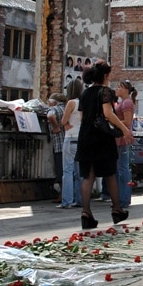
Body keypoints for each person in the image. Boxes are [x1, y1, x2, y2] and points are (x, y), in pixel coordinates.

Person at [76, 60, 132, 229]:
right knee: (110, 173)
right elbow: (108, 113)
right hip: (102, 138)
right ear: (106, 75)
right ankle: (116, 209)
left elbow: (81, 117)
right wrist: (124, 129)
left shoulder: (85, 93)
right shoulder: (105, 92)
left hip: (85, 136)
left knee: (88, 175)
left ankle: (86, 213)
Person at [59, 77, 84, 208]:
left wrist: (67, 124)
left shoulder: (71, 103)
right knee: (79, 172)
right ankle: (80, 200)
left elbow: (63, 121)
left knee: (67, 171)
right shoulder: (84, 102)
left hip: (70, 137)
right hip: (81, 138)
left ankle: (67, 201)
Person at [114, 80, 136, 207]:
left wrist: (112, 121)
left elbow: (127, 122)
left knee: (123, 169)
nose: (117, 89)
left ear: (126, 90)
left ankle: (124, 198)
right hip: (120, 137)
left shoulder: (127, 102)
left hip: (123, 137)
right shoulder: (124, 102)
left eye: (120, 87)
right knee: (121, 168)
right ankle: (122, 197)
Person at [46, 92, 67, 201]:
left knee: (60, 170)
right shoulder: (66, 109)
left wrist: (55, 127)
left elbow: (50, 115)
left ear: (54, 102)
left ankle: (62, 195)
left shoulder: (55, 109)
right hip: (67, 142)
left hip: (58, 143)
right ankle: (68, 195)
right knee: (67, 170)